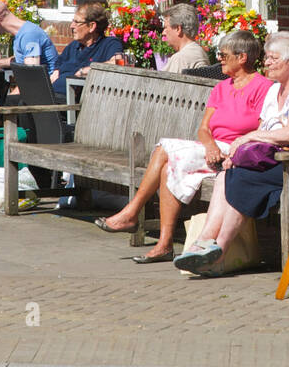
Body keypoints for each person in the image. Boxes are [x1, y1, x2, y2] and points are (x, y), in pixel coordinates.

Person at [94, 29, 270, 263]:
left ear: (242, 58)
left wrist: (227, 149)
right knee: (167, 168)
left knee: (165, 149)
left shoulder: (263, 87)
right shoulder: (221, 87)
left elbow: (260, 132)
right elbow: (203, 129)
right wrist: (209, 147)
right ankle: (164, 244)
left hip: (237, 153)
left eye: (224, 54)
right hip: (212, 150)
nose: (219, 58)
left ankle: (132, 211)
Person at [175, 31, 289, 275]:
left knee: (243, 178)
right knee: (226, 172)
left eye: (273, 58)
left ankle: (219, 250)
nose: (266, 62)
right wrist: (238, 152)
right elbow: (264, 129)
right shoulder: (275, 90)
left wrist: (247, 138)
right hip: (280, 161)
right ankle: (205, 241)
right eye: (267, 58)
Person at [51, 2, 124, 100]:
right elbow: (56, 71)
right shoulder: (73, 46)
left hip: (73, 103)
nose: (71, 26)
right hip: (53, 97)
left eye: (76, 22)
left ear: (91, 26)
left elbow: (119, 62)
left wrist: (86, 71)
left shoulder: (109, 44)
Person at [0, 0, 59, 71]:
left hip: (46, 85)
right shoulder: (22, 32)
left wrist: (16, 88)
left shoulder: (29, 34)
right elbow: (20, 60)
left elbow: (32, 74)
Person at [159, 3, 209, 74]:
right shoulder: (200, 52)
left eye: (166, 27)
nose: (163, 33)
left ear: (177, 29)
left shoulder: (180, 59)